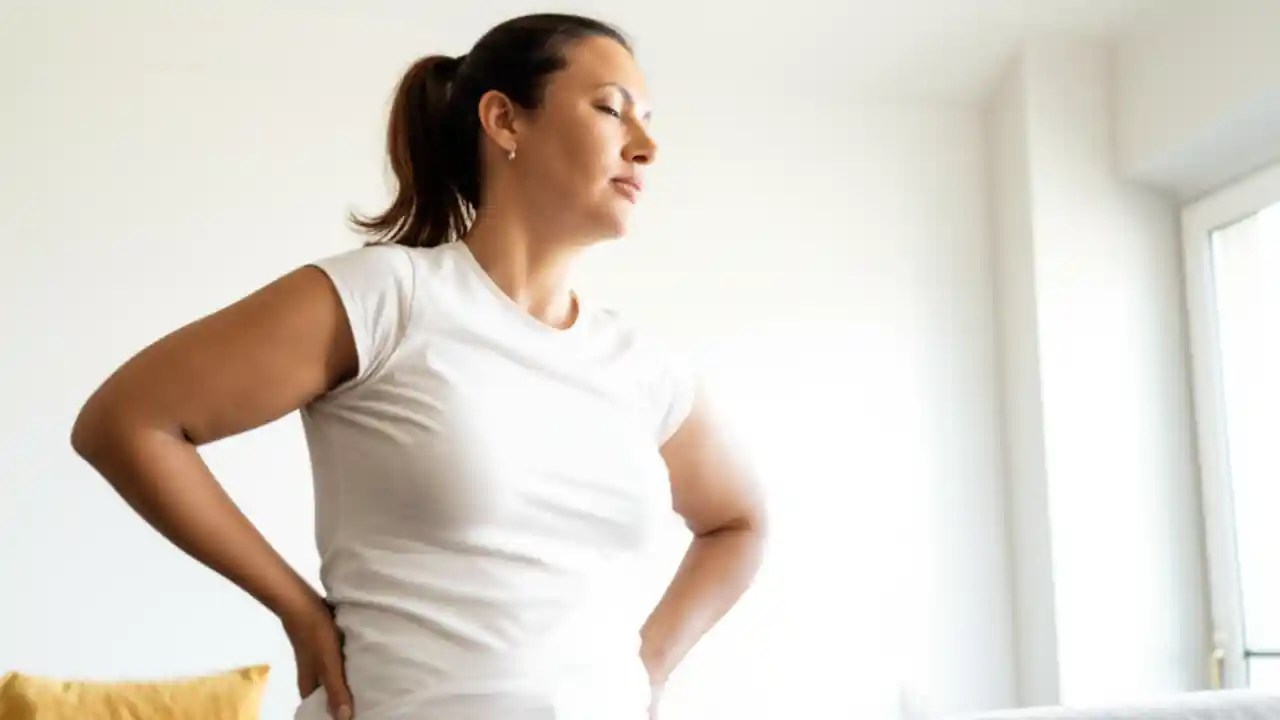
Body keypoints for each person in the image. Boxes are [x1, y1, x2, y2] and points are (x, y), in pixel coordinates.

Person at [70, 13, 766, 720]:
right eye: (612, 110)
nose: (646, 147)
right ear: (504, 120)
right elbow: (126, 422)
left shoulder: (642, 369)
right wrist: (298, 610)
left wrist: (644, 670)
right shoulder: (390, 299)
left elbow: (740, 522)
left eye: (648, 120)